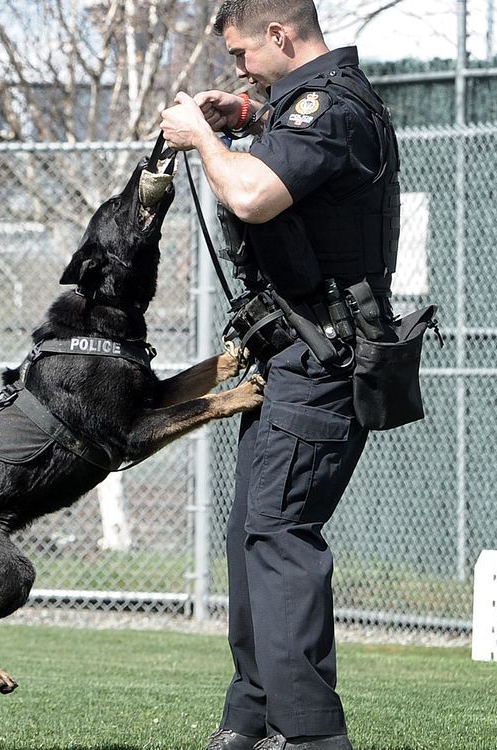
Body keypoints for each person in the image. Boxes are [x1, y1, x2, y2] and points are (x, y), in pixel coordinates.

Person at [160, 1, 401, 749]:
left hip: (322, 358)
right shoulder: (311, 105)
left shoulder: (328, 107)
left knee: (281, 532)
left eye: (240, 54)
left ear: (278, 34)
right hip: (292, 354)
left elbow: (252, 194)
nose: (236, 67)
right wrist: (245, 115)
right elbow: (298, 159)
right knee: (252, 533)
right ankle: (251, 721)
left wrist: (202, 138)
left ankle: (309, 735)